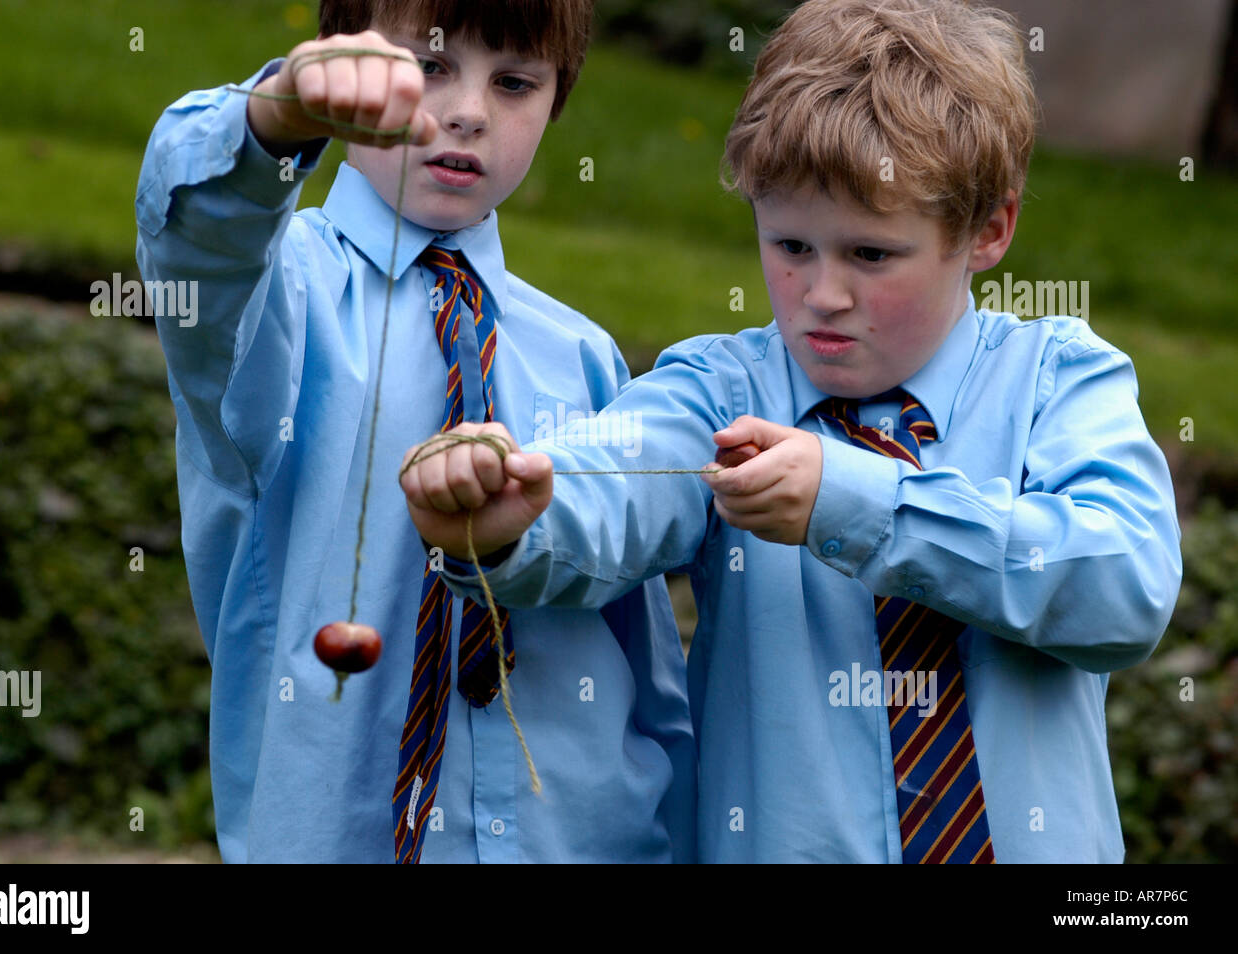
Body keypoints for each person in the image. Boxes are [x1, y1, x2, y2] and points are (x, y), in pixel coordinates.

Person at [398, 0, 1183, 862]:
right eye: (791, 246)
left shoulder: (1057, 379)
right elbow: (613, 482)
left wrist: (854, 499)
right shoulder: (721, 391)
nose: (823, 294)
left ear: (989, 229)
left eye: (870, 254)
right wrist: (512, 521)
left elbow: (1124, 586)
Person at [136, 0, 695, 863]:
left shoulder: (583, 356)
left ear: (558, 102)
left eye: (515, 82)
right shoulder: (279, 301)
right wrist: (277, 116)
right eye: (430, 66)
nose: (469, 109)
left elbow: (645, 656)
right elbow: (202, 244)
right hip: (338, 832)